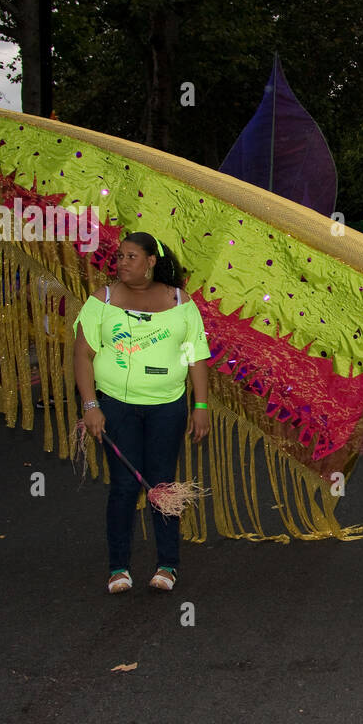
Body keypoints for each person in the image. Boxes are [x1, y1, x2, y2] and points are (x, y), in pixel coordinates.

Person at [74, 232, 211, 593]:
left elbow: (195, 355)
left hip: (167, 407)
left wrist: (200, 405)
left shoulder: (181, 302)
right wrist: (91, 405)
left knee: (162, 484)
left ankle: (167, 564)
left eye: (131, 256)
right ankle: (118, 567)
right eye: (119, 256)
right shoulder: (101, 300)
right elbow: (82, 356)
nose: (121, 262)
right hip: (116, 406)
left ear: (151, 261)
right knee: (123, 485)